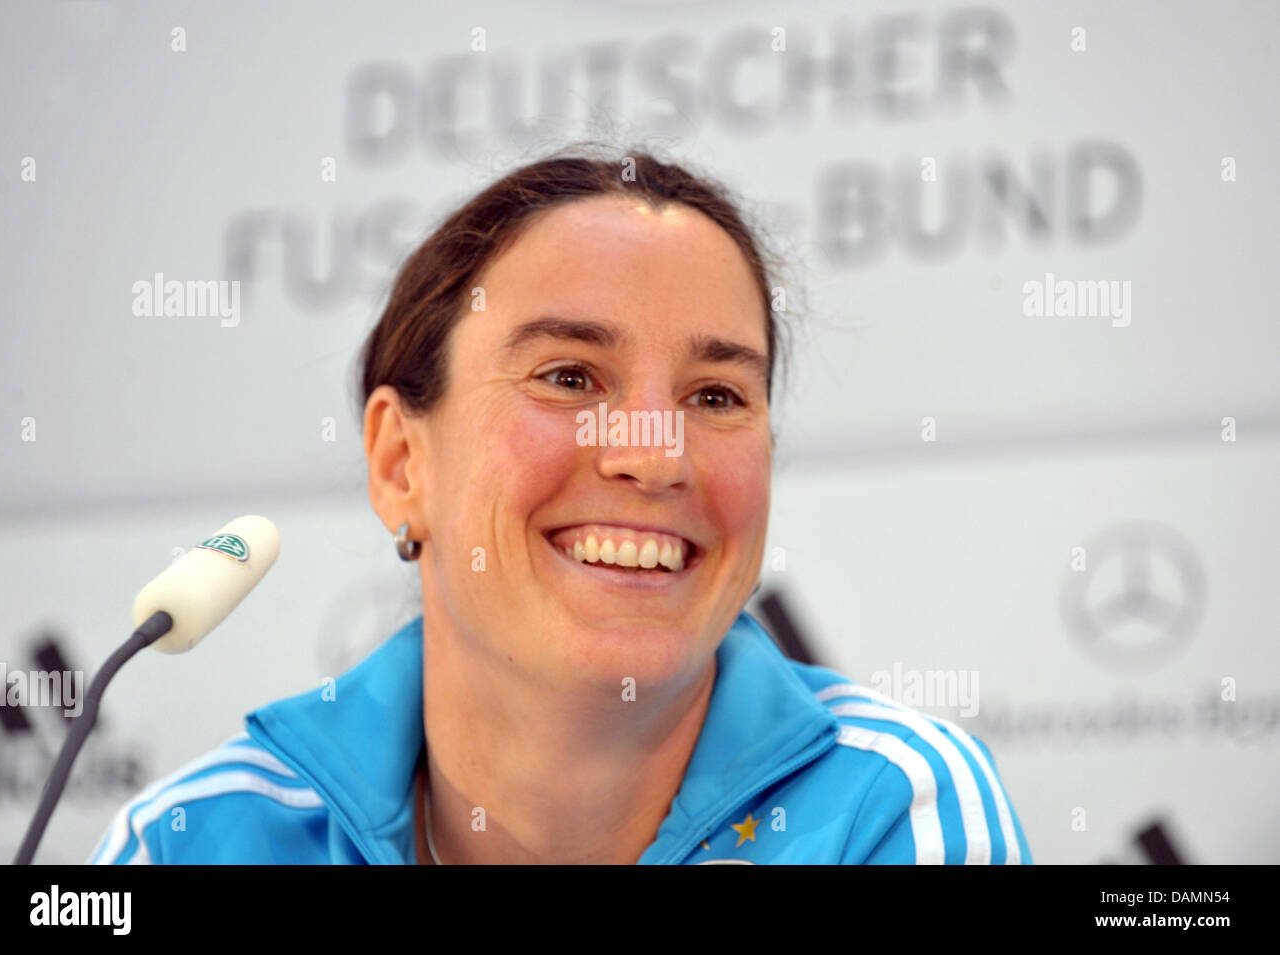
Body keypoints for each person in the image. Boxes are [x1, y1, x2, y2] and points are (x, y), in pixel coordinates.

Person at [90, 146, 1033, 865]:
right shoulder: (191, 840)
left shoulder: (891, 804)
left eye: (716, 396)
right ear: (398, 463)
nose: (655, 457)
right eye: (571, 376)